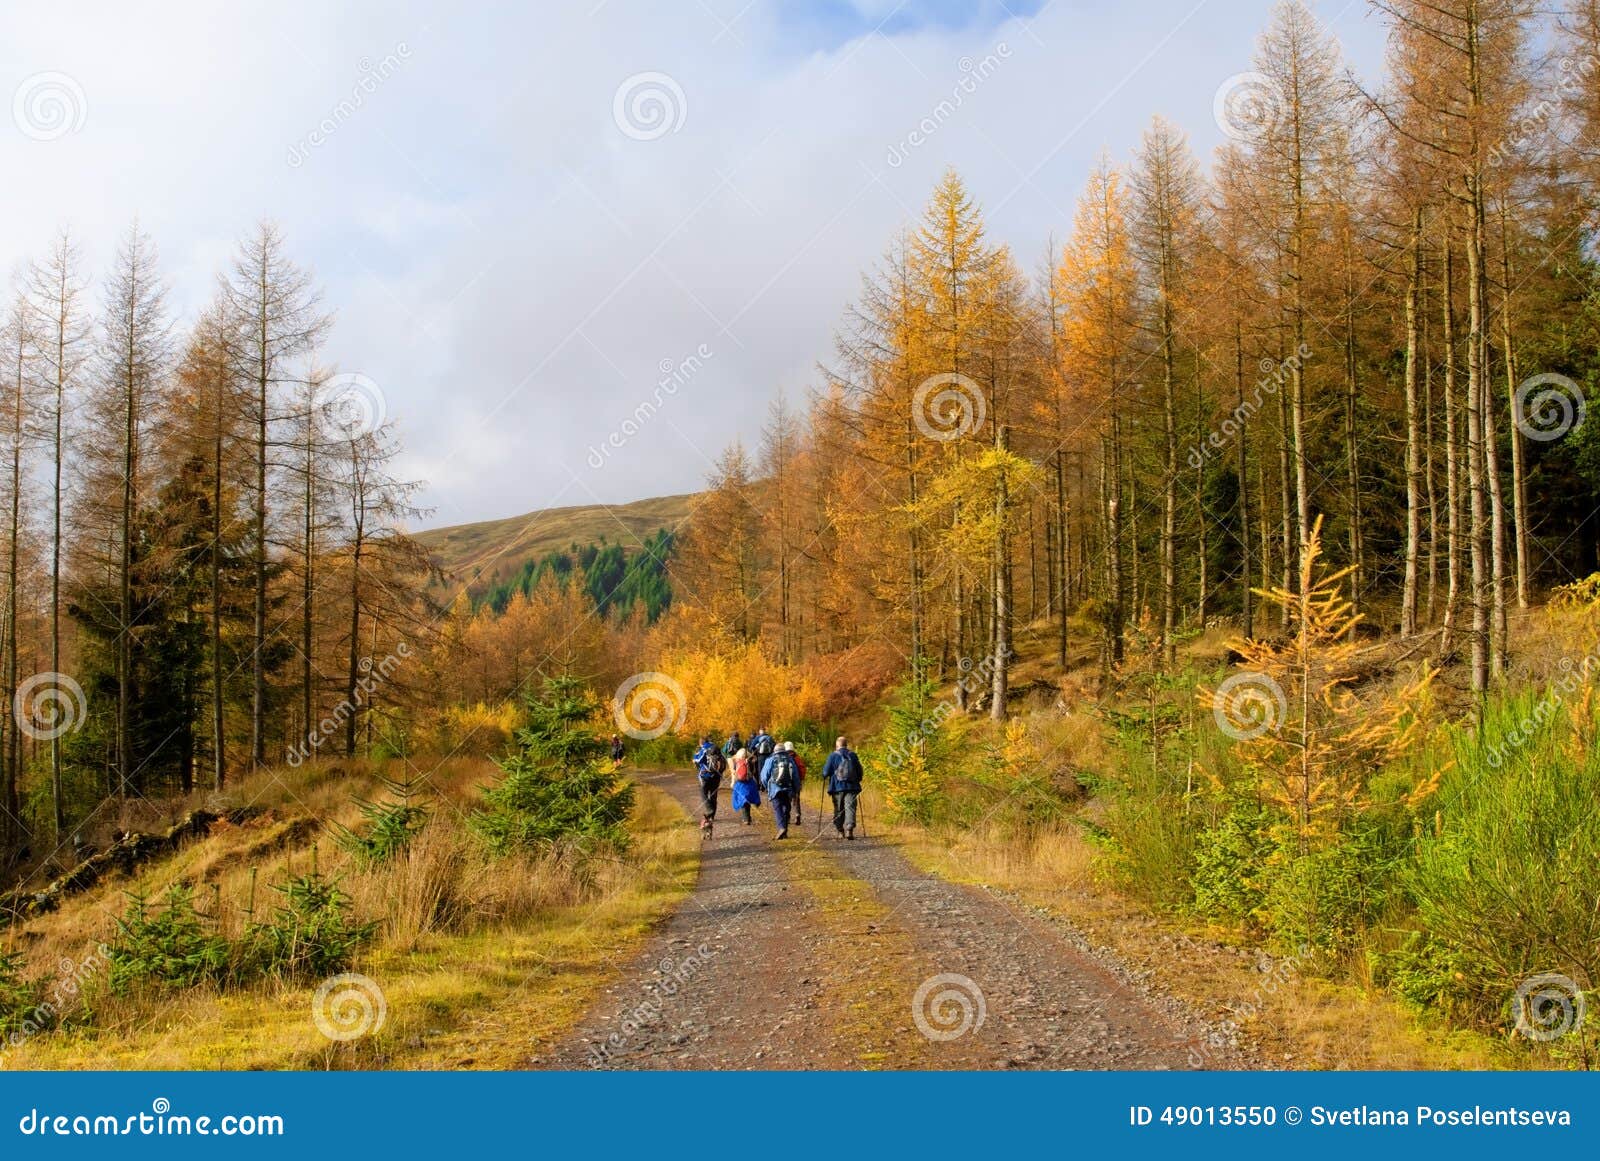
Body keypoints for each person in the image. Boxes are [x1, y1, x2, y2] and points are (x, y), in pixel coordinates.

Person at [822, 736, 864, 839]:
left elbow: (825, 772)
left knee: (838, 809)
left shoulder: (833, 756)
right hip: (852, 787)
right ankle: (849, 828)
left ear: (837, 745)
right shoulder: (853, 755)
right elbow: (859, 771)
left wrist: (825, 775)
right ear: (846, 745)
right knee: (850, 807)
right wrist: (857, 780)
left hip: (837, 787)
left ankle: (840, 830)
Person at [760, 742, 800, 839]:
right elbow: (795, 776)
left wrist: (767, 787)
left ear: (775, 751)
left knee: (778, 808)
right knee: (786, 808)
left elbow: (764, 776)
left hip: (775, 788)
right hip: (788, 788)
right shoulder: (790, 760)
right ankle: (785, 831)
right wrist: (796, 788)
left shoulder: (770, 759)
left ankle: (781, 828)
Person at [692, 735, 727, 837]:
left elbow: (698, 760)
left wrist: (694, 759)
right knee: (713, 796)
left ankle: (709, 811)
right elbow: (723, 761)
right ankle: (711, 816)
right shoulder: (717, 748)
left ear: (701, 742)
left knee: (703, 793)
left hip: (705, 776)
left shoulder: (703, 749)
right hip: (716, 776)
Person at [729, 746, 760, 824]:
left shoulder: (737, 762)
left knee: (743, 801)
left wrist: (733, 782)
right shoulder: (751, 762)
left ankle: (746, 818)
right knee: (747, 800)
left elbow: (734, 774)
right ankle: (748, 817)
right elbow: (754, 772)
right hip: (750, 783)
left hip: (740, 784)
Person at [782, 741, 806, 825]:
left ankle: (787, 817)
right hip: (797, 781)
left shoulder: (784, 758)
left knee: (787, 800)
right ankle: (797, 814)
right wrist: (801, 780)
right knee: (796, 799)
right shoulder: (797, 758)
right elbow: (802, 769)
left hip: (787, 782)